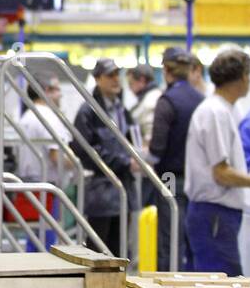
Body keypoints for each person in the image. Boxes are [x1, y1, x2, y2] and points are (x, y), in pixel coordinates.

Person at [184, 48, 250, 276]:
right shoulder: (215, 113)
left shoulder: (227, 110)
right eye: (249, 74)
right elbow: (221, 173)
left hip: (219, 214)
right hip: (213, 213)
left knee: (221, 282)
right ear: (242, 77)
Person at [71, 58, 136, 256]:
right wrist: (124, 162)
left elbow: (130, 141)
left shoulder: (121, 110)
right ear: (98, 79)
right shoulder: (88, 111)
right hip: (100, 191)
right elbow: (85, 149)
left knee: (119, 251)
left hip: (123, 188)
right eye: (110, 75)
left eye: (118, 74)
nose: (116, 80)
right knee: (98, 252)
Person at [148, 47, 202, 271]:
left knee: (169, 238)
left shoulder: (167, 101)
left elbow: (156, 149)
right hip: (196, 177)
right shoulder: (201, 100)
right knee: (193, 239)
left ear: (167, 70)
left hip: (170, 175)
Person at [15, 80, 69, 251]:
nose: (60, 95)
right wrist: (79, 165)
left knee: (34, 239)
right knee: (47, 243)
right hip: (47, 189)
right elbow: (56, 155)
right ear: (46, 90)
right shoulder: (46, 116)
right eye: (58, 89)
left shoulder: (28, 116)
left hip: (30, 185)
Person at [126, 63, 161, 152]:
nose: (130, 88)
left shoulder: (150, 101)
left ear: (141, 81)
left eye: (130, 83)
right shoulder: (154, 96)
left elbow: (151, 137)